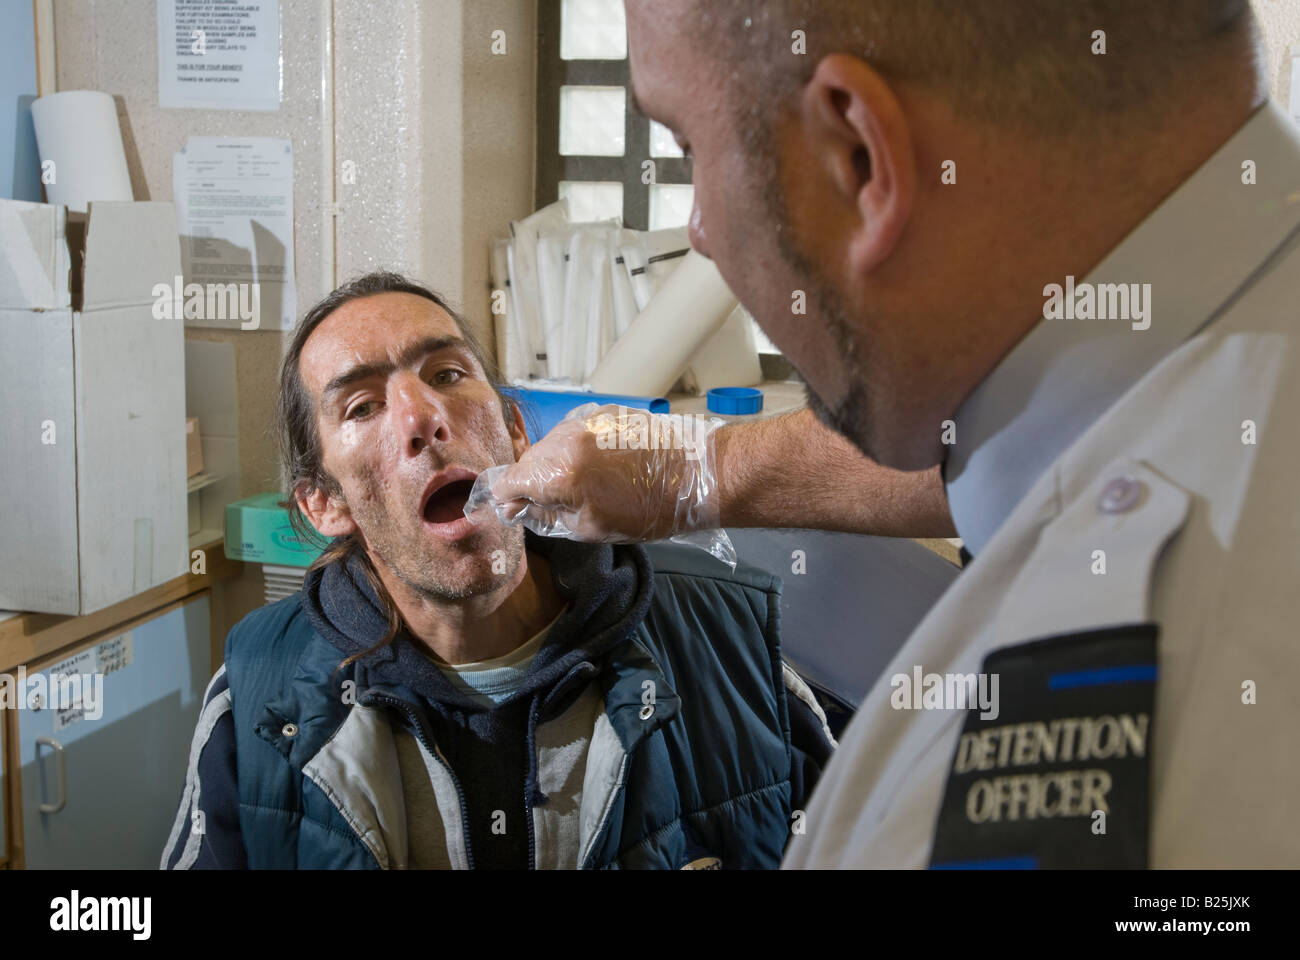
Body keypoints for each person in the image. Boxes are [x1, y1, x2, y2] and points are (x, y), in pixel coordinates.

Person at [485, 1, 1300, 867]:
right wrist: (700, 467)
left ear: (861, 157)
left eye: (690, 150)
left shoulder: (1050, 779)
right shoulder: (1209, 350)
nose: (700, 234)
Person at [161, 272, 834, 870]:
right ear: (325, 504)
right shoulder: (256, 697)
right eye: (362, 407)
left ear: (516, 432)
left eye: (448, 375)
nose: (423, 417)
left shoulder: (727, 646)